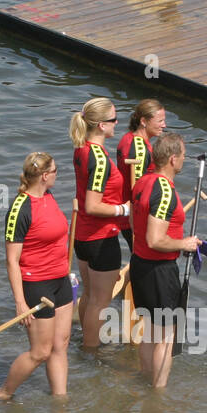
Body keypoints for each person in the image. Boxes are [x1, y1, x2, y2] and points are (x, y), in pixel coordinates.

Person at [0, 154, 73, 400]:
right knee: (40, 352)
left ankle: (60, 402)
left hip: (61, 280)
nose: (58, 174)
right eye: (56, 170)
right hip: (36, 284)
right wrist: (19, 302)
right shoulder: (20, 208)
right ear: (45, 176)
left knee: (61, 345)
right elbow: (11, 260)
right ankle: (3, 394)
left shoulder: (48, 196)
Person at [129, 133, 200, 387]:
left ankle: (146, 381)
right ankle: (157, 395)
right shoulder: (164, 190)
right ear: (172, 159)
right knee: (166, 337)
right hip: (159, 269)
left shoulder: (142, 181)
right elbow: (155, 239)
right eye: (183, 156)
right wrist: (185, 243)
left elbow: (133, 223)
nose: (184, 160)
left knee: (150, 331)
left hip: (140, 265)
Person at [71, 97, 128, 349]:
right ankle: (91, 351)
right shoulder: (100, 159)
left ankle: (85, 341)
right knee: (99, 302)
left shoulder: (81, 148)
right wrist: (123, 208)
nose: (117, 123)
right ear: (101, 126)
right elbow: (93, 205)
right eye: (114, 119)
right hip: (101, 238)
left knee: (89, 294)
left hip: (82, 236)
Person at [116, 99, 167, 223]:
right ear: (143, 121)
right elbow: (138, 189)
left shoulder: (128, 137)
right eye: (160, 121)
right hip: (134, 218)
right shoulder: (140, 150)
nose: (164, 125)